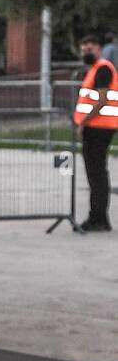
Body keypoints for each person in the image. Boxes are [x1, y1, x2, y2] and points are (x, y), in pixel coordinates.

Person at [74, 34, 116, 232]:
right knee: (96, 173)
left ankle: (97, 218)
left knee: (96, 174)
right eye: (83, 50)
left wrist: (83, 122)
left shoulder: (102, 69)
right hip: (98, 126)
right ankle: (100, 218)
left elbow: (101, 101)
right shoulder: (94, 69)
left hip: (99, 127)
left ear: (98, 49)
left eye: (89, 49)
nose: (86, 53)